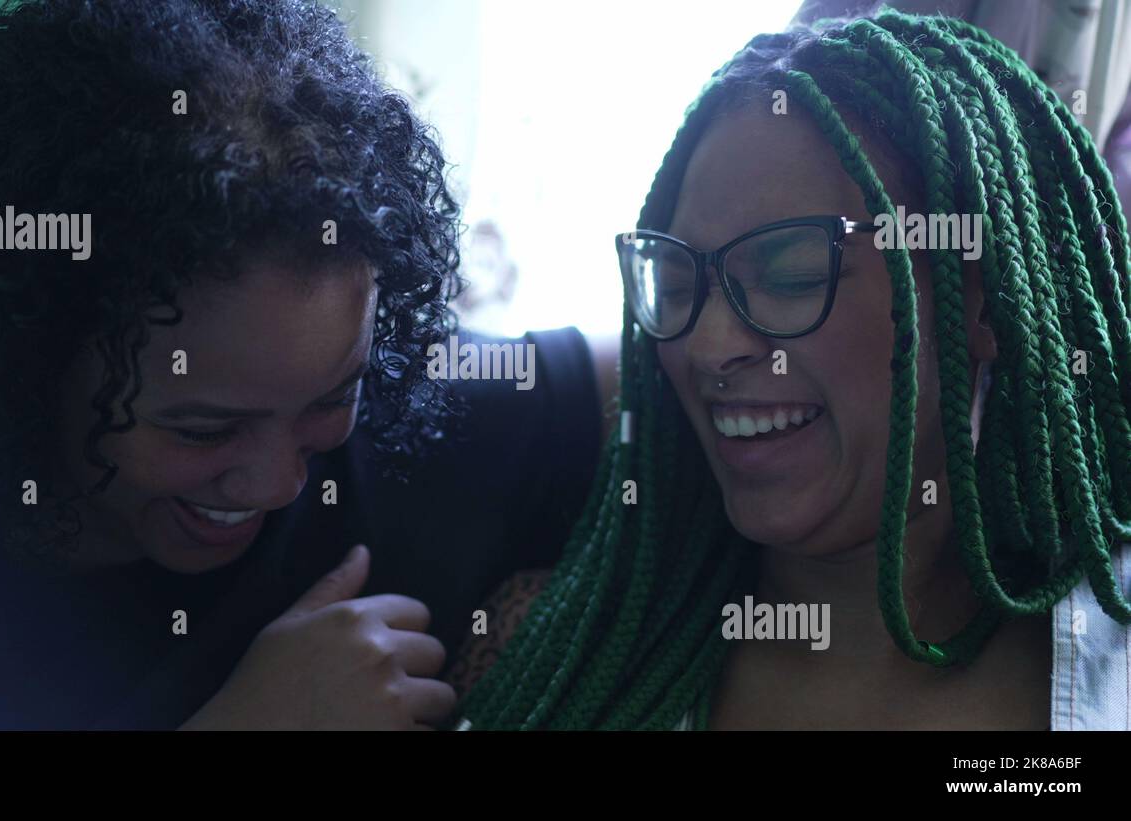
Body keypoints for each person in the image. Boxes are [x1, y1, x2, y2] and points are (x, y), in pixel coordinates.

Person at [0, 0, 609, 729]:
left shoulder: (417, 424)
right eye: (205, 428)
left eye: (332, 396)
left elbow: (666, 376)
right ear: (23, 362)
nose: (278, 484)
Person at [449, 9, 1131, 730]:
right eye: (678, 284)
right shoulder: (560, 667)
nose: (711, 347)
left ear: (984, 299)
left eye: (792, 272)